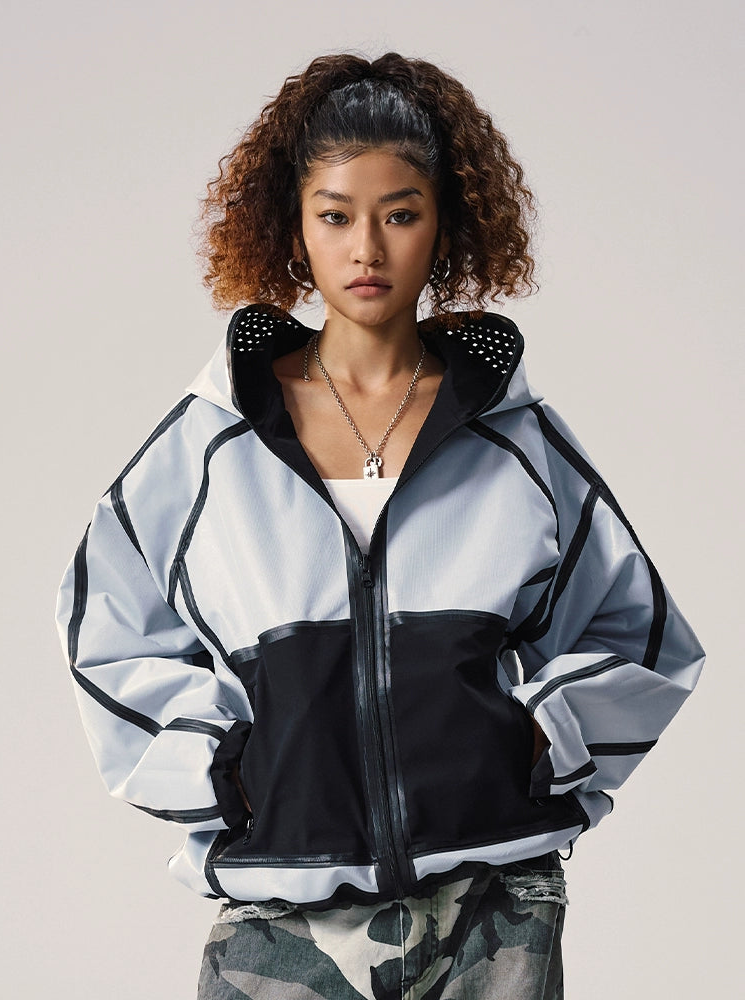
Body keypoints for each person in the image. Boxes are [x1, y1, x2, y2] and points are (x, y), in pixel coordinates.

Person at [56, 52, 704, 1000]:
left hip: (495, 906)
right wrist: (226, 768)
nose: (367, 248)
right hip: (282, 908)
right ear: (294, 227)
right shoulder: (212, 444)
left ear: (445, 224)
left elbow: (640, 634)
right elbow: (107, 636)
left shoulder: (511, 439)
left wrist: (539, 737)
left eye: (400, 214)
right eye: (335, 216)